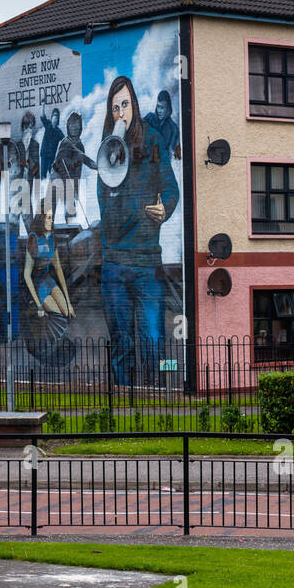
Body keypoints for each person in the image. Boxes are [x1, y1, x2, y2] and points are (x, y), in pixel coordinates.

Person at [97, 76, 179, 386]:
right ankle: (122, 404)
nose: (121, 113)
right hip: (115, 263)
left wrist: (165, 208)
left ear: (135, 105)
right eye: (115, 107)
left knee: (153, 337)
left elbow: (170, 188)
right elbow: (107, 213)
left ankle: (155, 400)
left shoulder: (154, 140)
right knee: (121, 341)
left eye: (125, 105)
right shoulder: (108, 148)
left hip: (147, 263)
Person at [23, 201, 74, 323]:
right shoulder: (33, 238)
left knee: (66, 312)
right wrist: (38, 305)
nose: (52, 221)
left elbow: (58, 268)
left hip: (48, 280)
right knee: (57, 316)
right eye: (49, 218)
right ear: (41, 219)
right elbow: (26, 274)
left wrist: (68, 301)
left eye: (52, 218)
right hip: (37, 284)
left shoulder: (52, 238)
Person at [49, 110, 95, 221]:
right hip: (58, 177)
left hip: (69, 181)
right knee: (51, 204)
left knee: (70, 208)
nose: (74, 128)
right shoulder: (65, 143)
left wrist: (75, 189)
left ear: (80, 128)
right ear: (68, 127)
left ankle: (71, 230)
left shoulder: (80, 146)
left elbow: (79, 169)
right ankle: (47, 229)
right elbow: (59, 165)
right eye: (72, 125)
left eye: (76, 125)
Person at [143, 89, 181, 160]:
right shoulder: (149, 118)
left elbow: (174, 155)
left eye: (162, 108)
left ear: (168, 108)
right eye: (158, 107)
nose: (159, 111)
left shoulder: (174, 129)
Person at [39, 107, 64, 180]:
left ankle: (50, 188)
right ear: (52, 117)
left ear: (58, 119)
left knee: (51, 174)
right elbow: (42, 116)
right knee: (43, 175)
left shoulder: (59, 132)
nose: (55, 118)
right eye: (54, 116)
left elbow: (65, 141)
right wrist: (43, 105)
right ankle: (43, 187)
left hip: (51, 157)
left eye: (57, 117)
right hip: (44, 155)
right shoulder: (48, 124)